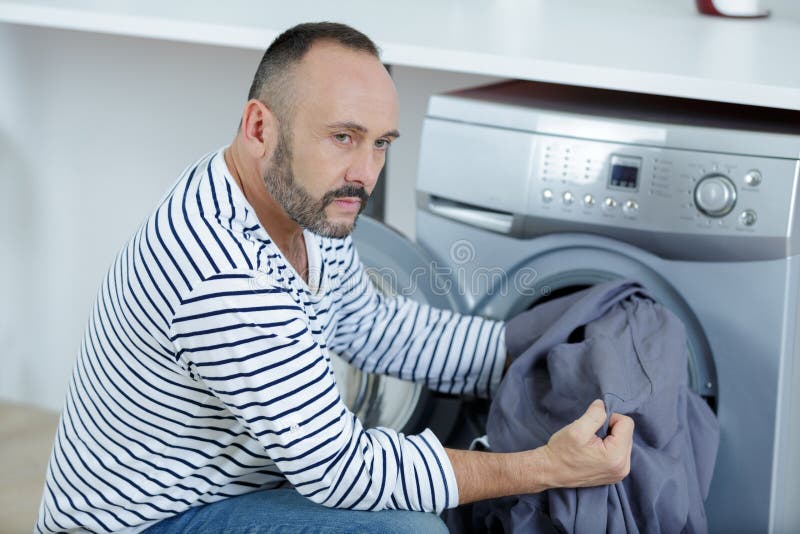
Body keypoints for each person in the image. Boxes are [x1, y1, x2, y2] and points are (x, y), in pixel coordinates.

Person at [35, 22, 634, 534]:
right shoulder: (221, 273)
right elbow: (340, 469)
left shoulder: (299, 206)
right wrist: (544, 466)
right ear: (260, 127)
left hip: (227, 491)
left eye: (381, 145)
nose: (364, 174)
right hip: (150, 520)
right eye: (343, 137)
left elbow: (373, 326)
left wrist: (536, 348)